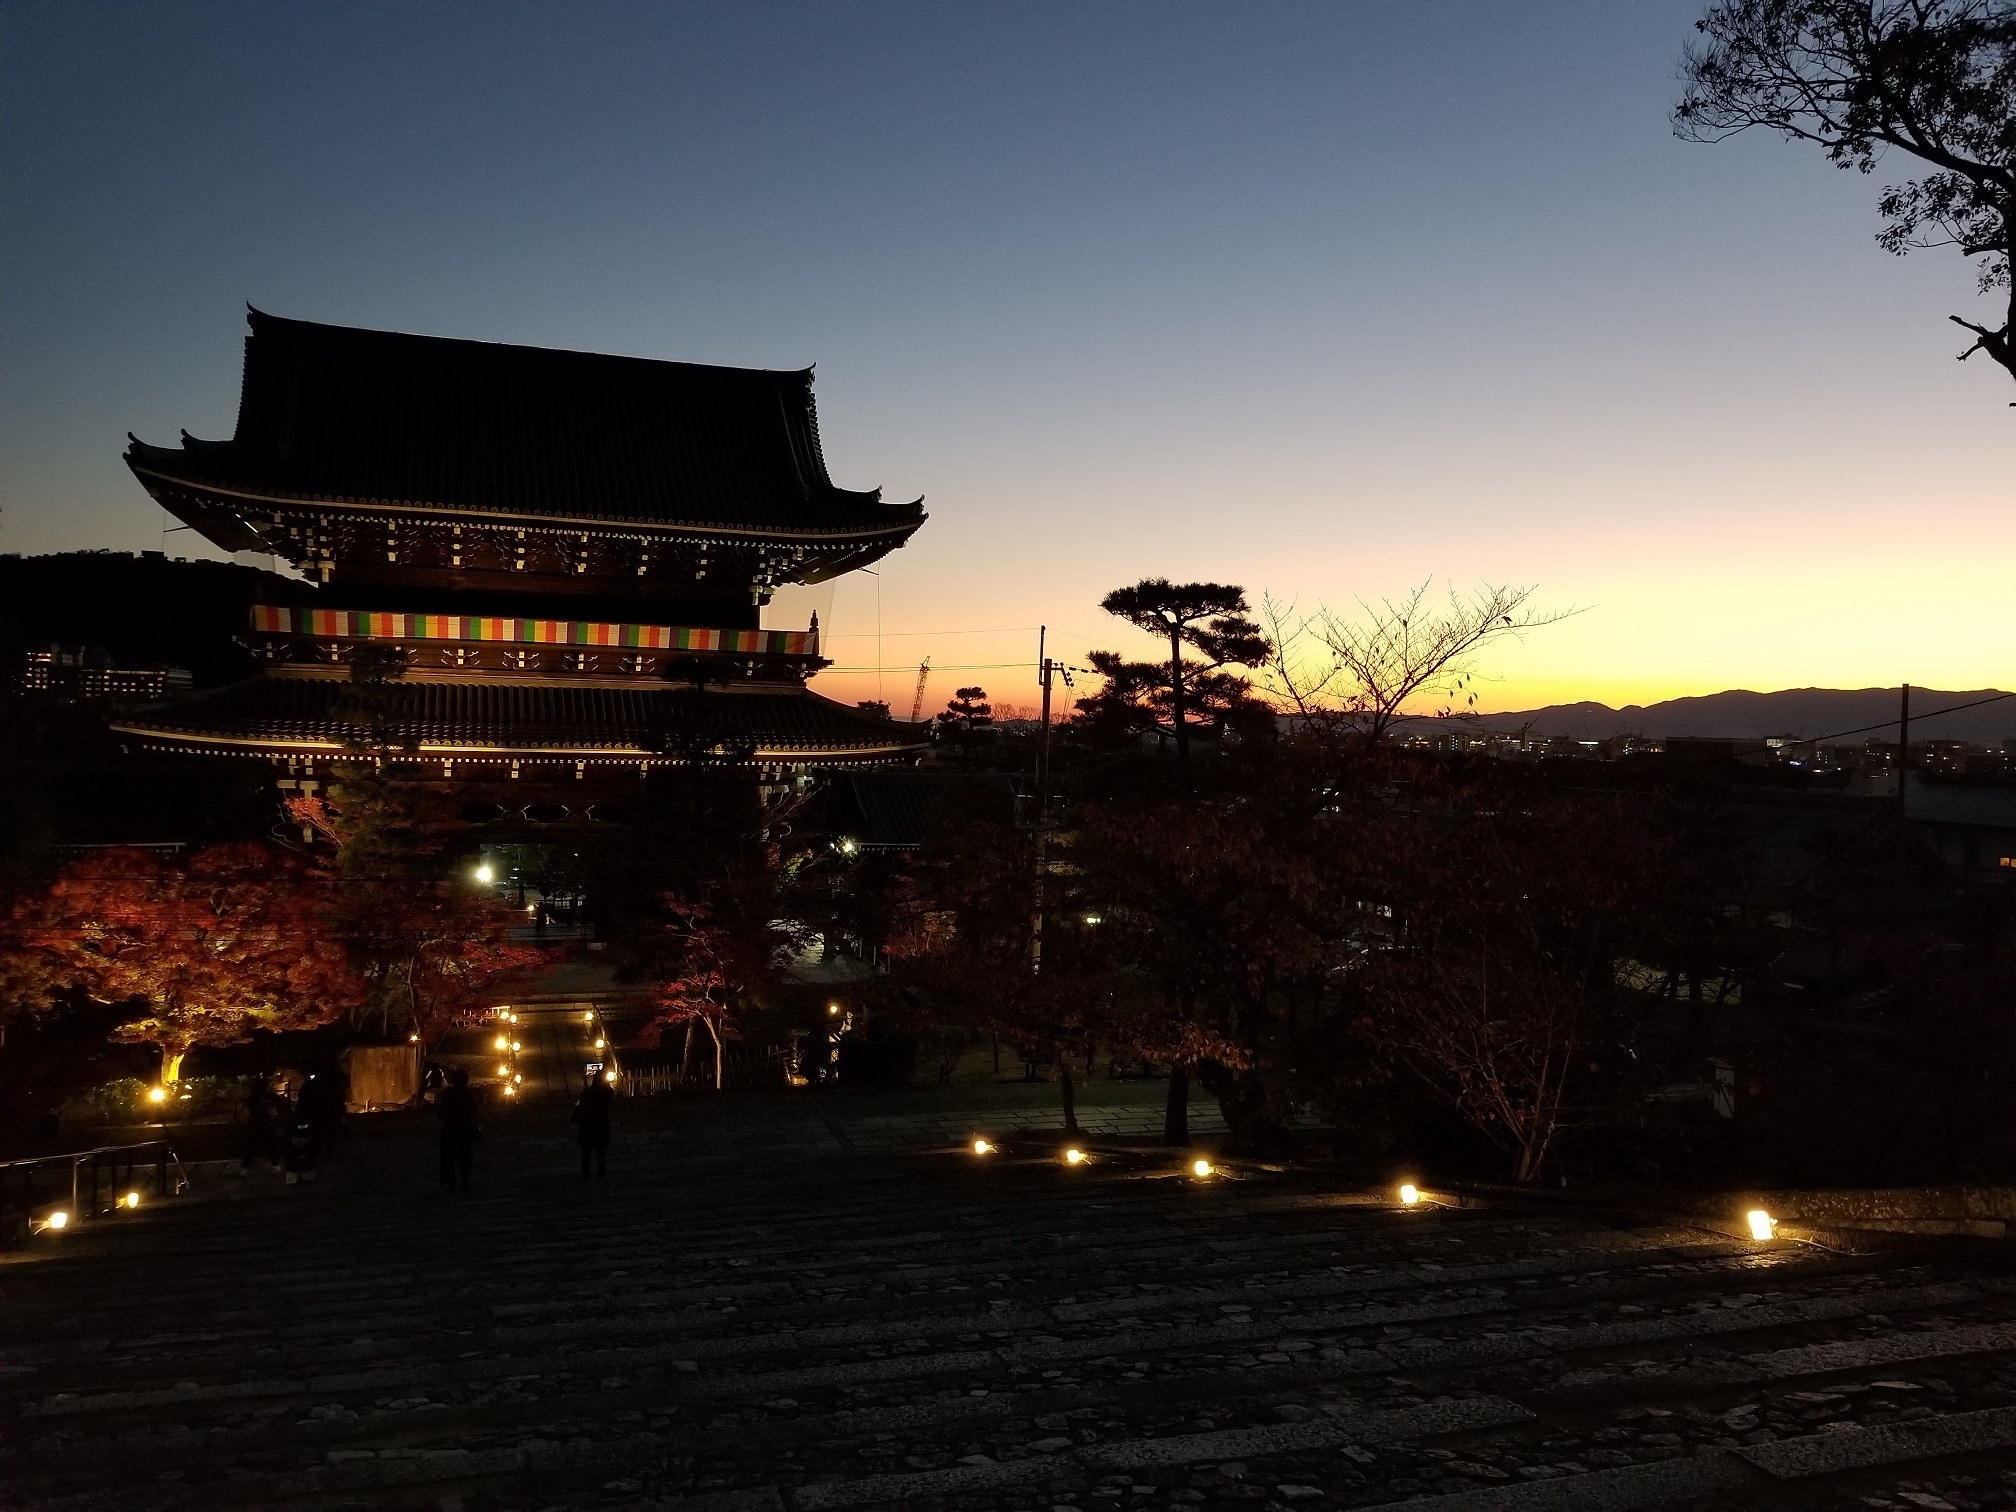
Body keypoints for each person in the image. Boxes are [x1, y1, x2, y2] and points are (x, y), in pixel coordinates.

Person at [438, 1067, 480, 1191]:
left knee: (448, 1157)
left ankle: (450, 1182)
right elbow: (474, 1109)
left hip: (449, 1129)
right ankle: (465, 1179)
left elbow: (441, 1111)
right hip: (464, 1128)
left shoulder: (448, 1094)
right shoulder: (467, 1093)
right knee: (464, 1155)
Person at [571, 1068, 614, 1178]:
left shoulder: (588, 1092)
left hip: (587, 1125)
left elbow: (583, 1098)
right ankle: (601, 1173)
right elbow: (610, 1094)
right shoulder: (605, 1093)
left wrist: (585, 1082)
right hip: (601, 1125)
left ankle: (585, 1173)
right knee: (601, 1152)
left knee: (586, 1152)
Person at [240, 1075, 284, 1175]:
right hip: (265, 1125)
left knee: (252, 1147)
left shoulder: (253, 1099)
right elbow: (275, 1107)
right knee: (269, 1145)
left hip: (256, 1125)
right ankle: (275, 1165)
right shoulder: (263, 1098)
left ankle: (245, 1168)